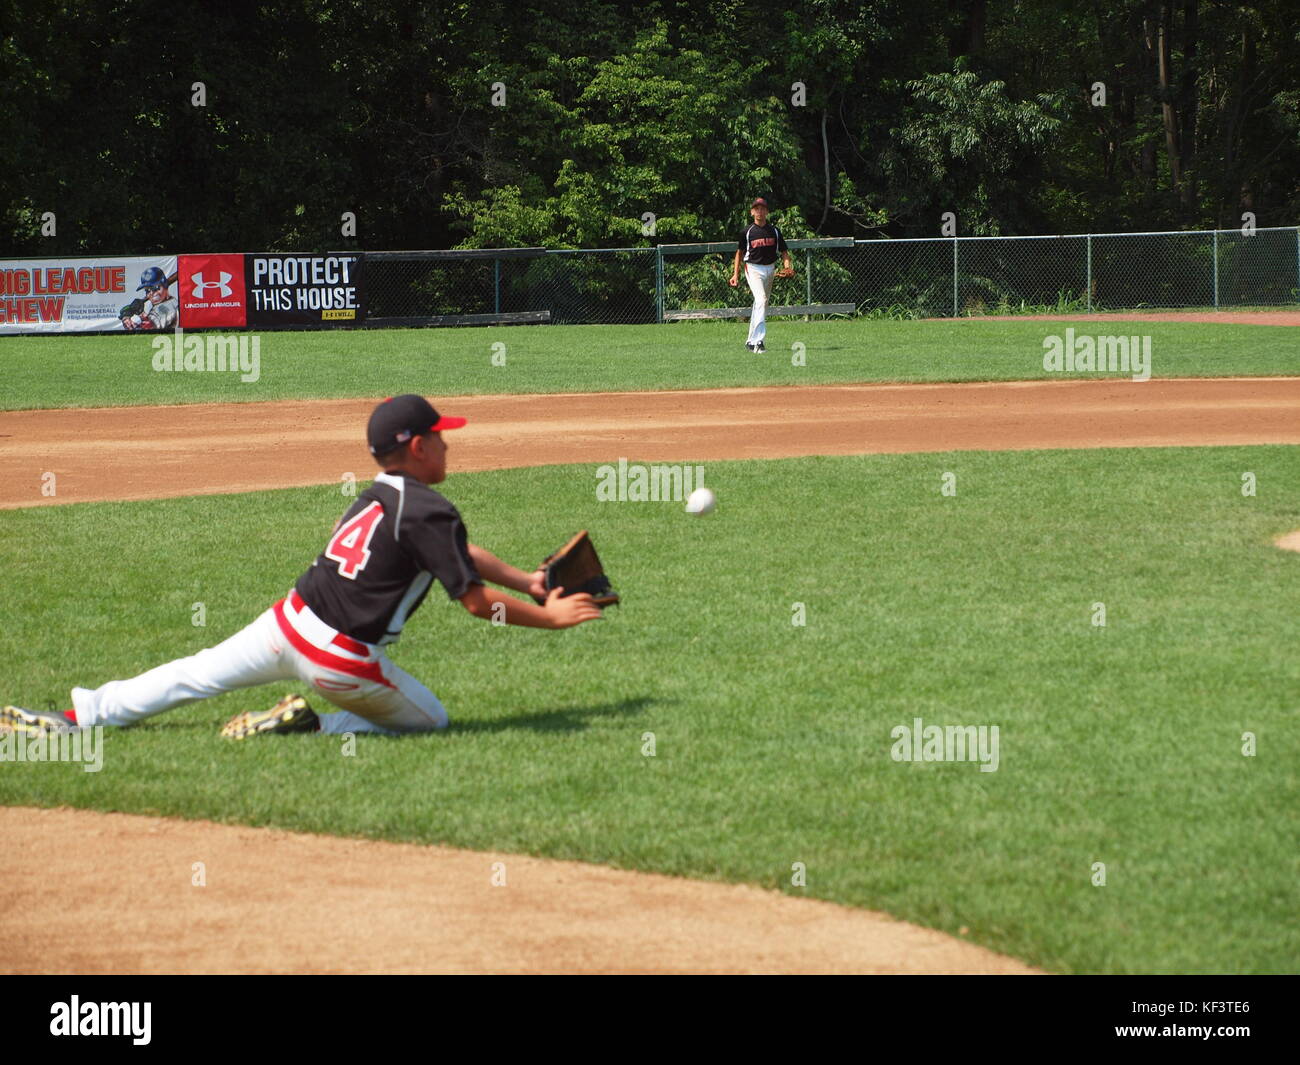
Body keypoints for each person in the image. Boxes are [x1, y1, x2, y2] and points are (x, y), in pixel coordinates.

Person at [1, 395, 604, 740]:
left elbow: (458, 557)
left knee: (195, 671)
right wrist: (548, 618)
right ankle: (311, 723)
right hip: (340, 661)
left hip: (287, 623)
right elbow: (475, 603)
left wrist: (526, 579)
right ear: (418, 446)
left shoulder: (379, 494)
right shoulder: (430, 509)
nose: (449, 444)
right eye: (441, 437)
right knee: (432, 721)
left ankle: (77, 716)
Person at [728, 197, 793, 353]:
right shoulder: (747, 231)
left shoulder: (775, 231)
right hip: (753, 268)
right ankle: (758, 342)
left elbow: (784, 252)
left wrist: (787, 267)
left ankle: (750, 341)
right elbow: (739, 254)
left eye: (762, 208)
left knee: (761, 304)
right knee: (761, 300)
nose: (759, 211)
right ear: (752, 212)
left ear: (767, 211)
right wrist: (735, 275)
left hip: (770, 269)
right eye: (756, 208)